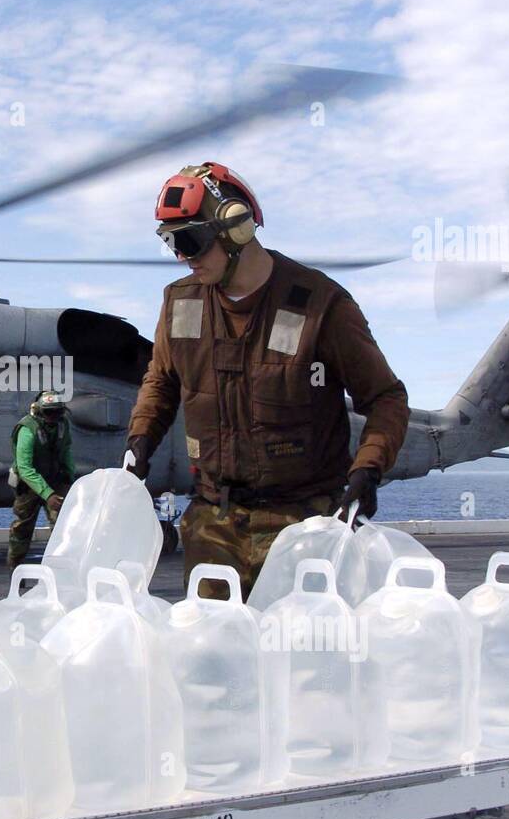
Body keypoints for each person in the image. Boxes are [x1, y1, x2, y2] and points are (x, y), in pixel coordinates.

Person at [126, 162, 409, 599]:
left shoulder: (320, 305)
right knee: (211, 658)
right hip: (213, 526)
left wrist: (368, 470)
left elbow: (386, 397)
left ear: (235, 228)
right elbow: (161, 382)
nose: (183, 256)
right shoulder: (180, 303)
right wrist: (139, 443)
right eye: (170, 243)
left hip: (305, 527)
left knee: (303, 662)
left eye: (190, 241)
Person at [7, 391, 76, 570]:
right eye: (49, 413)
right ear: (39, 411)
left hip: (54, 479)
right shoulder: (27, 429)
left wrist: (70, 477)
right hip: (29, 485)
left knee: (61, 525)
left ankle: (60, 569)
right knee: (22, 528)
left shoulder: (62, 424)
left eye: (57, 412)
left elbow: (66, 450)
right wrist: (48, 494)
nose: (53, 417)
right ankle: (15, 568)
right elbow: (25, 468)